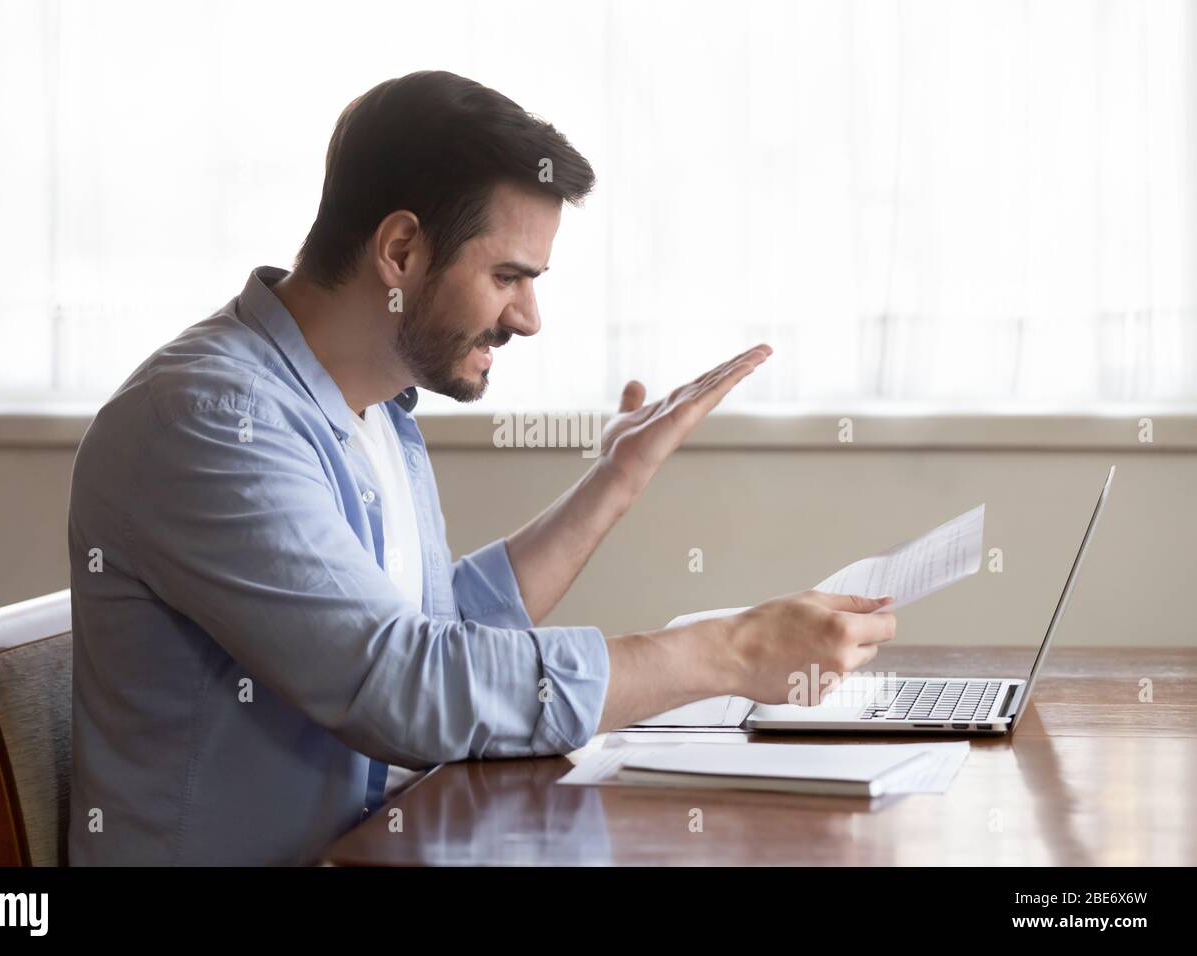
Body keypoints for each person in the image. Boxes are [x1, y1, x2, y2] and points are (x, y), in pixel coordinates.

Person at [67, 70, 895, 865]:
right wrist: (730, 651)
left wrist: (617, 478)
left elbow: (435, 636)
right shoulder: (214, 422)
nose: (529, 318)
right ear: (400, 249)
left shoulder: (374, 407)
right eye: (508, 276)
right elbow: (399, 681)